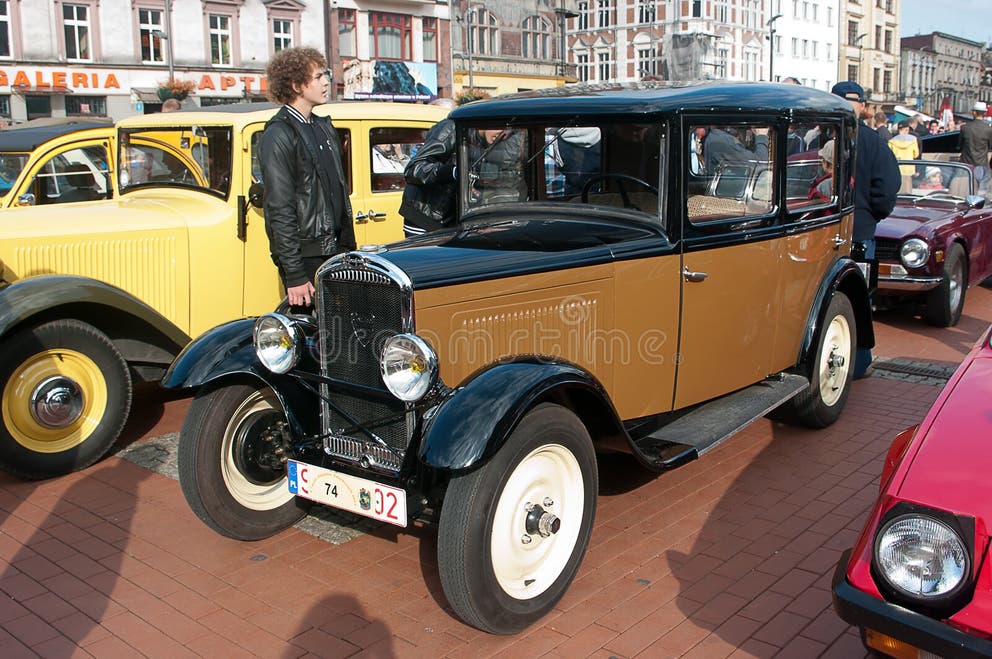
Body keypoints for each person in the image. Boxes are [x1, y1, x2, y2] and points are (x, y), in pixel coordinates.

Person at [258, 46, 355, 309]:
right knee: (312, 335)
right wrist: (294, 273)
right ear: (297, 85)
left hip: (336, 250)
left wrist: (348, 248)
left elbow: (337, 191)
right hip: (307, 256)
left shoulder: (324, 127)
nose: (327, 82)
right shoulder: (279, 134)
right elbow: (279, 206)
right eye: (318, 77)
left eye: (326, 75)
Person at [831, 81, 900, 379]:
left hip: (819, 226)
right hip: (858, 230)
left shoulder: (814, 136)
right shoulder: (873, 141)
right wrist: (872, 215)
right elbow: (886, 190)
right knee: (857, 296)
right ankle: (858, 363)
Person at [399, 97, 457, 237]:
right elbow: (414, 169)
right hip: (426, 216)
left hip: (444, 216)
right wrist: (452, 172)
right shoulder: (448, 128)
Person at [960, 101, 992, 193]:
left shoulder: (965, 128)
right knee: (981, 192)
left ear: (974, 112)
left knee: (966, 191)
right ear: (984, 113)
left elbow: (959, 146)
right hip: (982, 165)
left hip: (966, 165)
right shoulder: (989, 129)